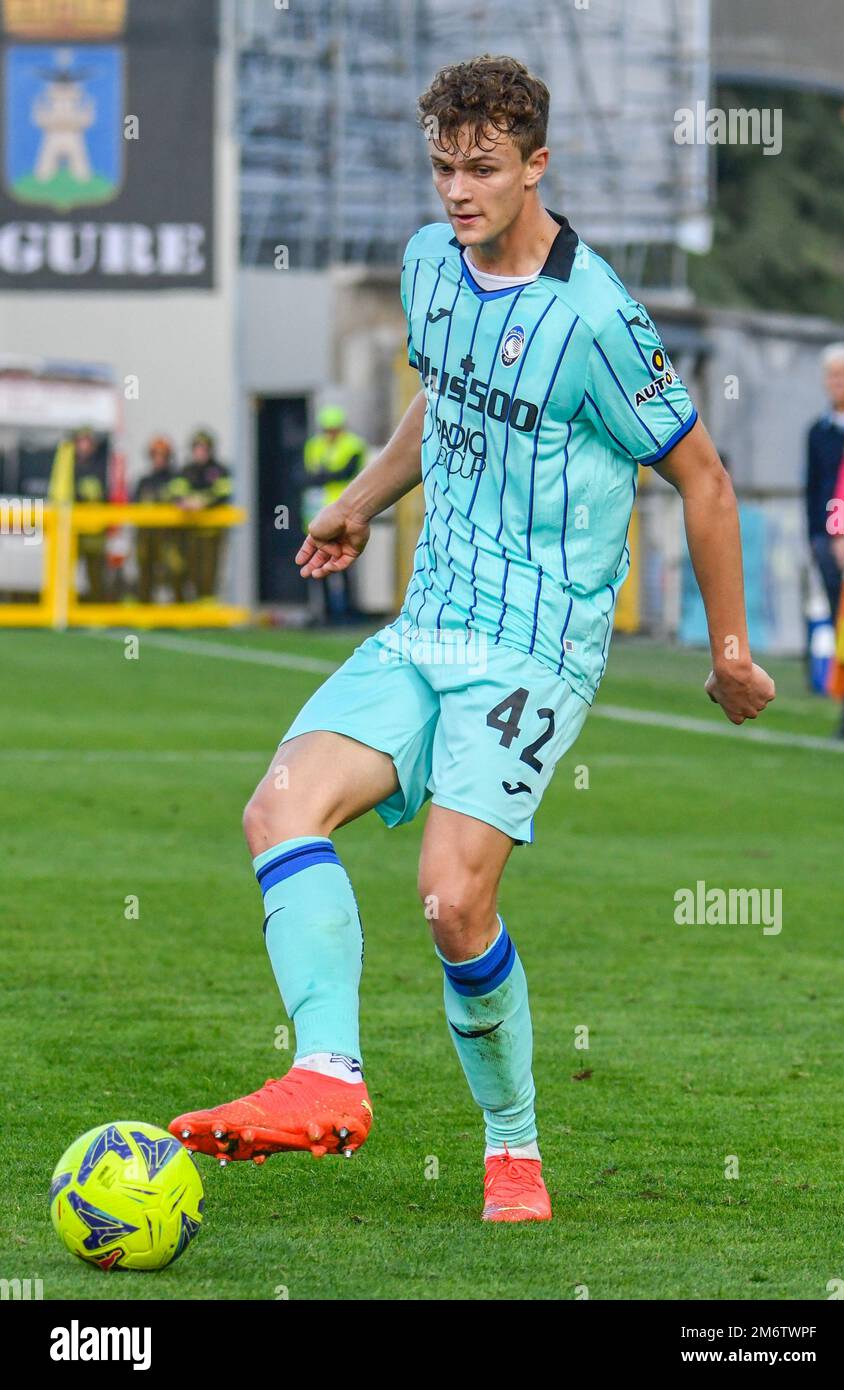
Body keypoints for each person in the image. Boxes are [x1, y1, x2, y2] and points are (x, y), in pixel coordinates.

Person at [170, 55, 774, 1222]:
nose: (457, 190)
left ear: (535, 164)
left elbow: (702, 479)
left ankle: (511, 1146)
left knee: (452, 902)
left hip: (533, 646)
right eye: (443, 166)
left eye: (482, 169)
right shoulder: (426, 264)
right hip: (428, 620)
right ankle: (327, 1077)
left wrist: (729, 650)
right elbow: (440, 398)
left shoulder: (599, 318)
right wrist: (361, 496)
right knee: (277, 807)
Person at [806, 344, 844, 736]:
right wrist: (834, 532)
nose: (837, 382)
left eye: (843, 374)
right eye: (832, 375)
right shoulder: (823, 432)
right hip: (839, 543)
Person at [301, 406, 368, 623]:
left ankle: (347, 610)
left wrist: (326, 475)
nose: (330, 434)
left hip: (346, 512)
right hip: (318, 512)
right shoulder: (314, 445)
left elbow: (347, 472)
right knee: (318, 563)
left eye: (334, 430)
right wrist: (328, 475)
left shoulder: (353, 444)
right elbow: (309, 475)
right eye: (327, 430)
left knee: (345, 563)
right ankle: (324, 612)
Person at [48, 426, 106, 602]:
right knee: (65, 571)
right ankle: (63, 609)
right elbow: (60, 493)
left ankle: (94, 610)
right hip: (70, 529)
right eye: (81, 441)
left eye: (87, 441)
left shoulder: (101, 465)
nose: (84, 446)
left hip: (94, 530)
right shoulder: (67, 462)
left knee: (95, 574)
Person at [176, 430, 233, 601]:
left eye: (204, 448)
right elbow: (177, 493)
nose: (200, 452)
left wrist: (203, 503)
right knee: (189, 570)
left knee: (209, 571)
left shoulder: (220, 470)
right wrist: (186, 502)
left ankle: (207, 607)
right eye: (197, 448)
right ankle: (193, 610)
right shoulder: (187, 470)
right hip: (190, 531)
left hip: (212, 533)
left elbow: (223, 494)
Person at [133, 436, 186, 604]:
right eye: (155, 455)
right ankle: (144, 609)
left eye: (162, 455)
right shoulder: (144, 481)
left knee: (175, 572)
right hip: (146, 536)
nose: (158, 459)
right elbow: (134, 507)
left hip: (170, 537)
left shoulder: (176, 480)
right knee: (145, 573)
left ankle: (179, 609)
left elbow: (182, 500)